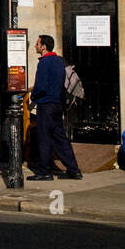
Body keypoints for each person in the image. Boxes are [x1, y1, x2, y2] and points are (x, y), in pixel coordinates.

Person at [30, 34, 82, 181]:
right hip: (58, 104)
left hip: (46, 105)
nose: (35, 46)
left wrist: (33, 96)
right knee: (60, 137)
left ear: (44, 46)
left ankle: (44, 171)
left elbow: (41, 86)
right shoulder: (59, 61)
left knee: (44, 138)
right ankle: (74, 169)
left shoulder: (44, 62)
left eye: (37, 43)